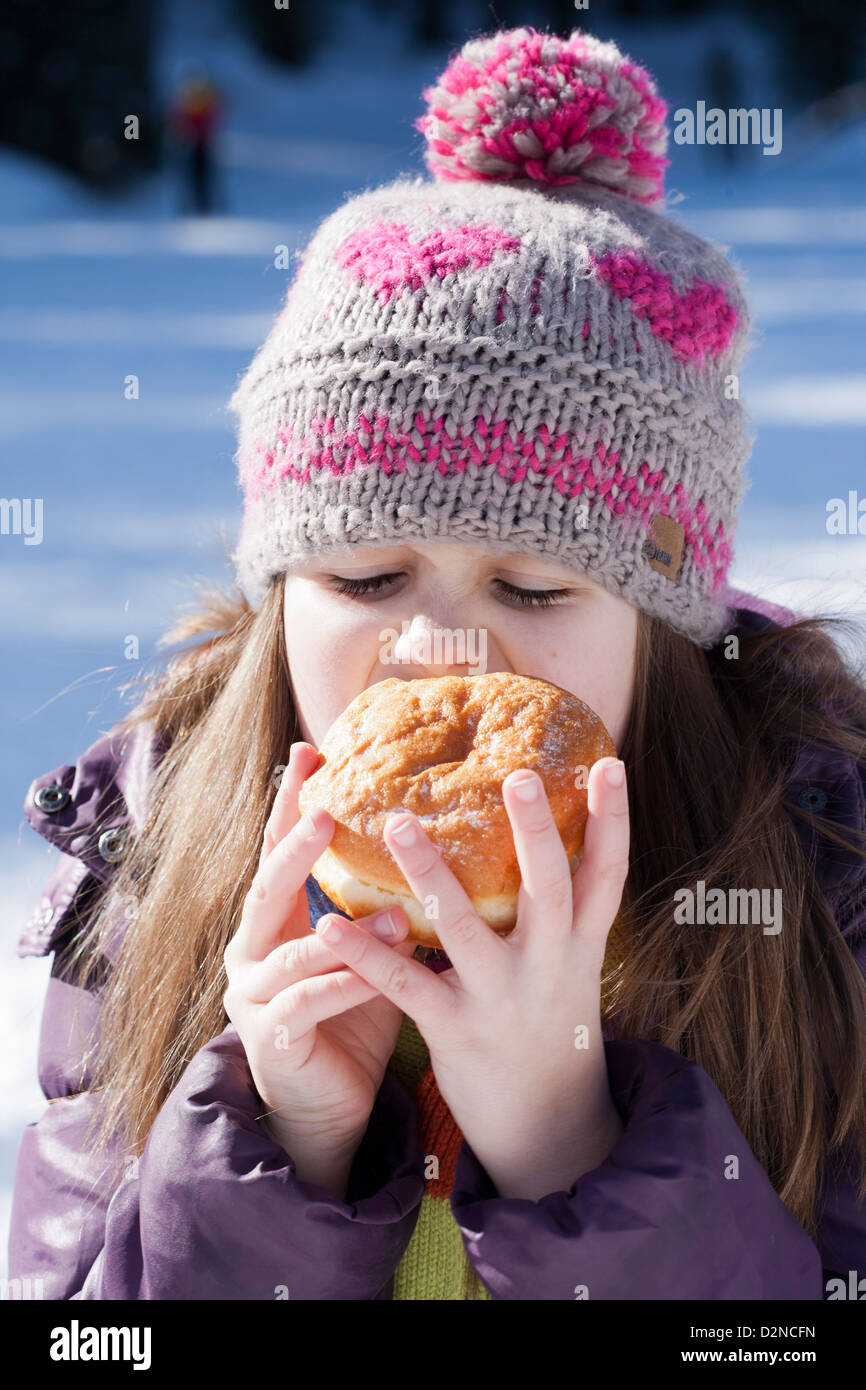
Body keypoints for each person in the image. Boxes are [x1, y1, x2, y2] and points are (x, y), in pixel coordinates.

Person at [9, 27, 866, 1300]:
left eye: (531, 584)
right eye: (363, 579)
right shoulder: (153, 883)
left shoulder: (821, 896)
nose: (437, 648)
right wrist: (275, 1144)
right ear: (280, 594)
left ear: (659, 622)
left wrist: (564, 1143)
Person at [168, 73, 223, 215]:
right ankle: (195, 206)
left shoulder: (203, 102)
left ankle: (204, 205)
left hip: (202, 144)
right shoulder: (189, 102)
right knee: (191, 176)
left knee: (204, 176)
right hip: (191, 144)